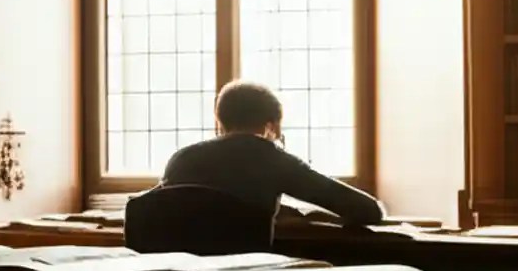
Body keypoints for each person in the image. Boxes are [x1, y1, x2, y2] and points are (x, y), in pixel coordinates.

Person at [158, 80, 385, 226]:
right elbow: (368, 210)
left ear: (220, 123)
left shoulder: (181, 159)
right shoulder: (273, 160)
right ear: (272, 126)